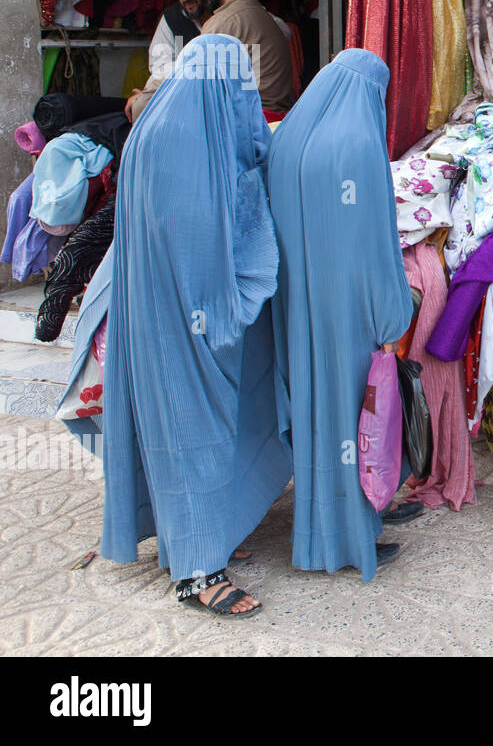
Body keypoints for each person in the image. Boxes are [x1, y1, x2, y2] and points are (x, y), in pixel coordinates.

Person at [99, 33, 291, 618]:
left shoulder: (153, 130)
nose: (245, 103)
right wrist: (227, 312)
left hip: (151, 314)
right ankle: (197, 572)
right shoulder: (194, 145)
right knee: (197, 431)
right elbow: (216, 243)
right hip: (193, 317)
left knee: (170, 426)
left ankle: (192, 541)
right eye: (241, 90)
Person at [267, 48, 412, 581]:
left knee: (315, 416)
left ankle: (315, 532)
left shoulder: (289, 140)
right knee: (353, 420)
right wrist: (391, 317)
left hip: (297, 308)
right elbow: (375, 244)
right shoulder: (357, 145)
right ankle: (347, 539)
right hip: (346, 314)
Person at [201, 0, 296, 113]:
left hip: (252, 118)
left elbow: (198, 79)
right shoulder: (265, 17)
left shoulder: (224, 21)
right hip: (274, 116)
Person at [126, 0, 211, 123]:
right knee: (141, 105)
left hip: (218, 94)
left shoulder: (225, 17)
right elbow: (160, 66)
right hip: (180, 93)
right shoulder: (172, 18)